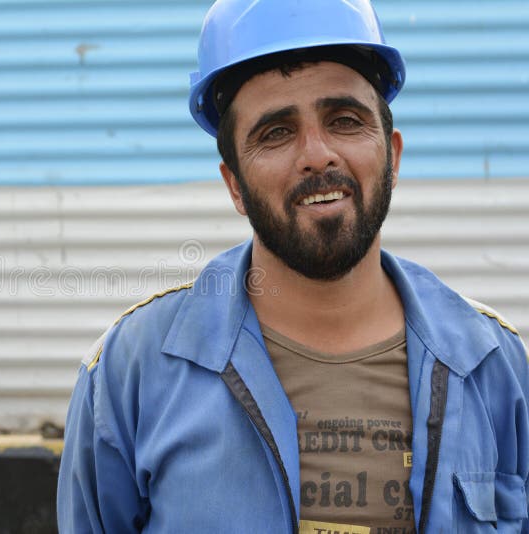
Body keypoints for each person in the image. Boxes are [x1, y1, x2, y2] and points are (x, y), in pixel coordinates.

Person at [57, 0, 529, 532]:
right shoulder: (130, 374)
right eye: (276, 132)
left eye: (345, 121)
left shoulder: (496, 368)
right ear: (234, 184)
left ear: (392, 156)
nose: (317, 153)